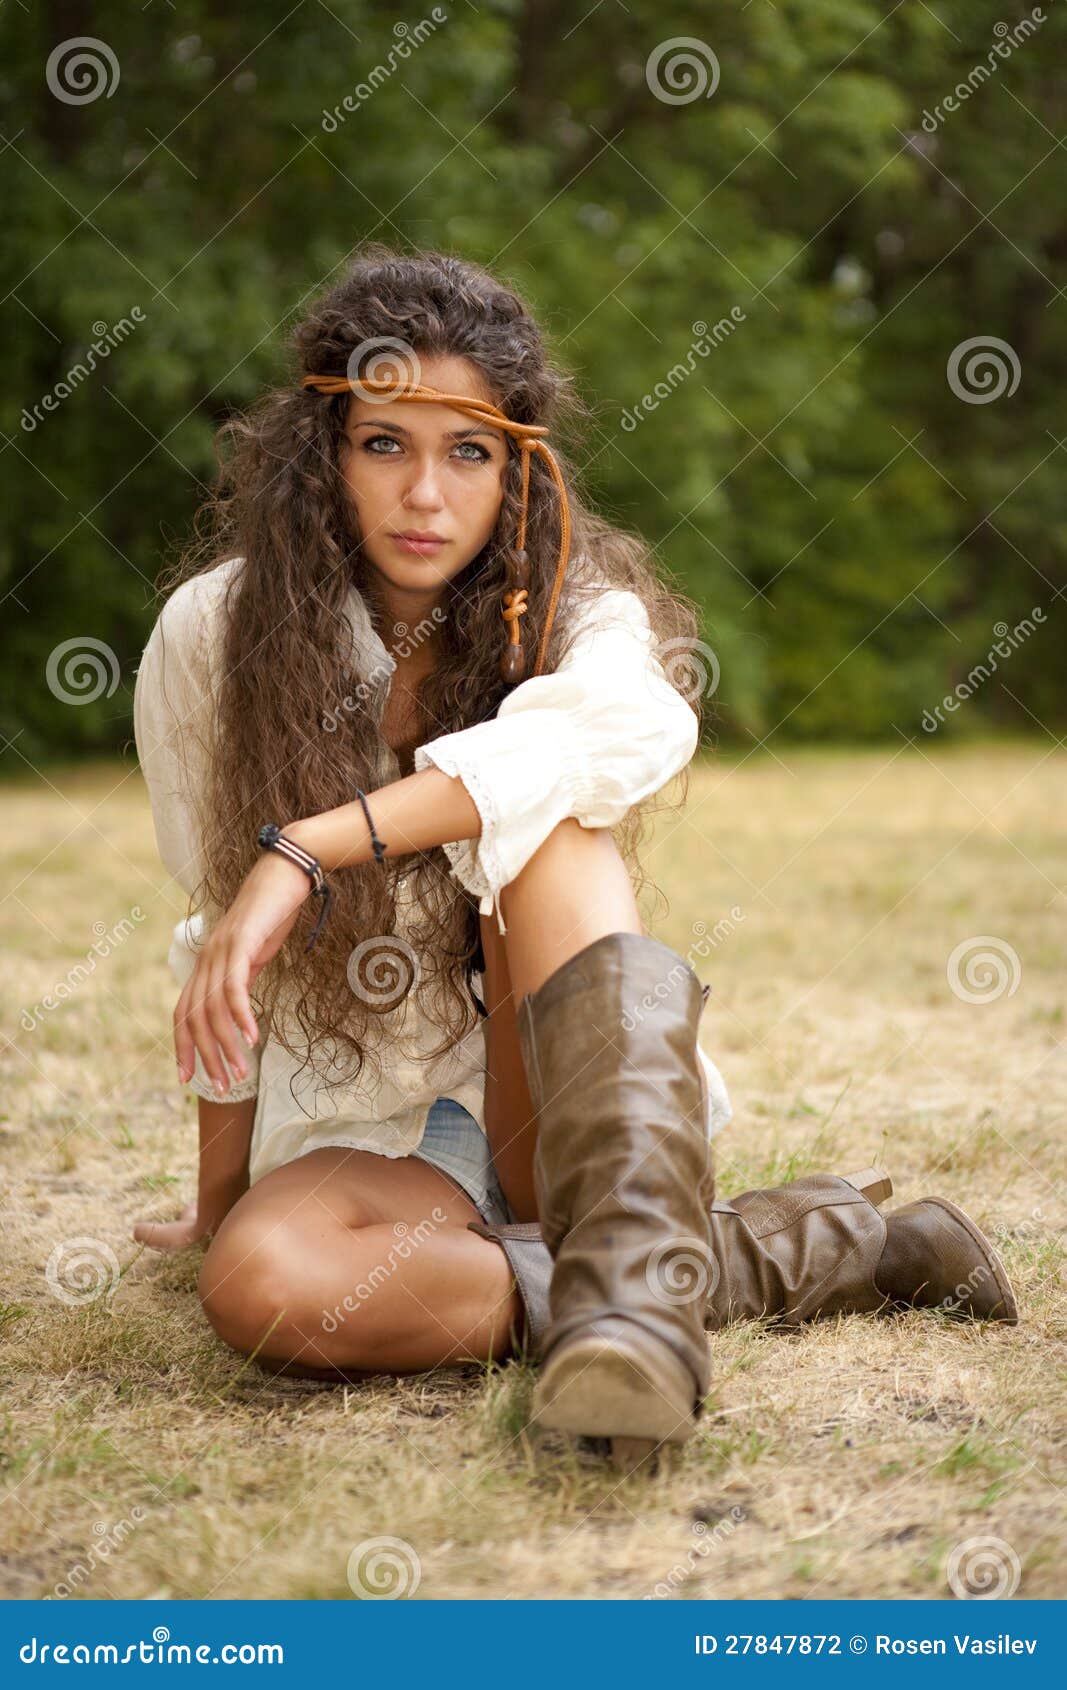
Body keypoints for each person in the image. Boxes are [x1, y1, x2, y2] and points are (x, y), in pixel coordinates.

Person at [132, 246, 1017, 1470]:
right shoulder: (209, 638)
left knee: (544, 811)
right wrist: (220, 1206)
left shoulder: (574, 612)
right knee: (267, 1287)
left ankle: (633, 1323)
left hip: (559, 1103)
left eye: (468, 452)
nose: (424, 495)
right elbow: (223, 943)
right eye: (384, 444)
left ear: (518, 468)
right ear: (323, 453)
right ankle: (760, 1259)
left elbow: (633, 725)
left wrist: (313, 845)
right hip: (376, 1137)